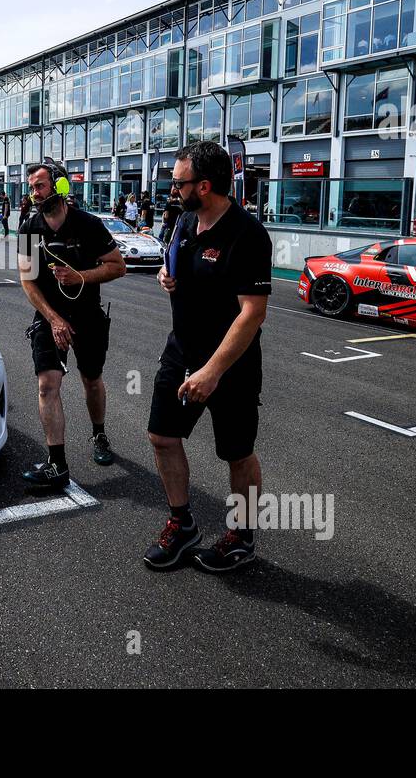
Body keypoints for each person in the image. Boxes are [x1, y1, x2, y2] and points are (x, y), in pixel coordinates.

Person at [145, 142, 270, 572]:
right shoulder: (184, 222)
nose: (172, 189)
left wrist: (213, 372)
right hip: (181, 349)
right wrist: (168, 275)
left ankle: (241, 536)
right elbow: (180, 265)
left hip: (229, 366)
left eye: (179, 182)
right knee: (162, 436)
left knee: (237, 454)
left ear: (204, 185)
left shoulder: (247, 234)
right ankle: (182, 525)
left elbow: (253, 313)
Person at [18, 162, 126, 487]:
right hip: (50, 318)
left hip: (88, 317)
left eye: (40, 186)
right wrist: (53, 319)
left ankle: (99, 434)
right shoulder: (28, 227)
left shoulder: (89, 225)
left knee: (92, 381)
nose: (35, 193)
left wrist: (81, 276)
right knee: (47, 385)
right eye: (32, 188)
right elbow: (27, 279)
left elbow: (118, 266)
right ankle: (57, 464)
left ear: (60, 187)